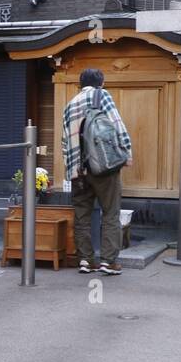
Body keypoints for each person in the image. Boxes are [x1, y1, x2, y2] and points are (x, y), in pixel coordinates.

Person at [61, 67, 132, 275]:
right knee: (110, 212)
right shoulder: (102, 96)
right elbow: (117, 125)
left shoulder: (69, 105)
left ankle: (86, 260)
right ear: (100, 83)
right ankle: (108, 262)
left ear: (80, 84)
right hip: (103, 166)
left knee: (82, 215)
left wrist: (72, 169)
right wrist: (127, 152)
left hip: (78, 170)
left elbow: (65, 142)